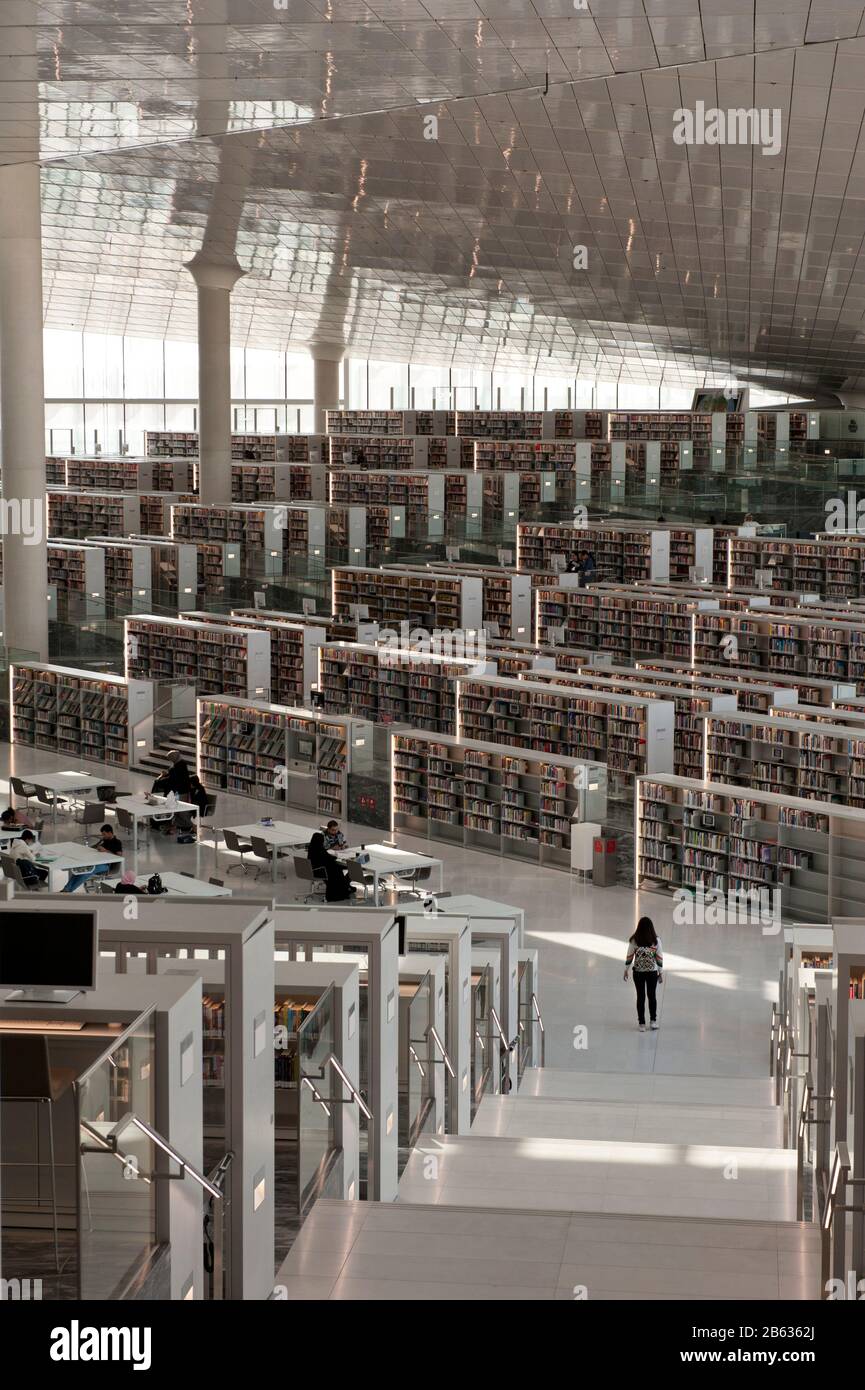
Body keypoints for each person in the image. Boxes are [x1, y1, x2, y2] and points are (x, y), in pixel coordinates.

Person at [624, 916, 663, 1031]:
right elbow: (659, 957)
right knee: (652, 996)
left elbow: (629, 956)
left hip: (638, 972)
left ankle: (641, 1023)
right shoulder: (656, 940)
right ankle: (653, 1021)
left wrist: (626, 969)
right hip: (652, 972)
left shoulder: (634, 940)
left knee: (640, 997)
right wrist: (660, 972)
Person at [62, 824, 123, 894]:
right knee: (79, 870)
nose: (103, 836)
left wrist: (106, 851)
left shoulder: (117, 842)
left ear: (110, 833)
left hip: (108, 866)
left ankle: (69, 891)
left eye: (104, 834)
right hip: (98, 862)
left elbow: (119, 856)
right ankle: (66, 889)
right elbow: (94, 848)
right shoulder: (105, 840)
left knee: (87, 872)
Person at [307, 831, 354, 903]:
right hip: (321, 871)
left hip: (314, 869)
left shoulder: (312, 847)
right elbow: (327, 858)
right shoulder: (319, 849)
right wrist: (335, 857)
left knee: (337, 869)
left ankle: (346, 888)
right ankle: (342, 891)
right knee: (338, 872)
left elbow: (325, 857)